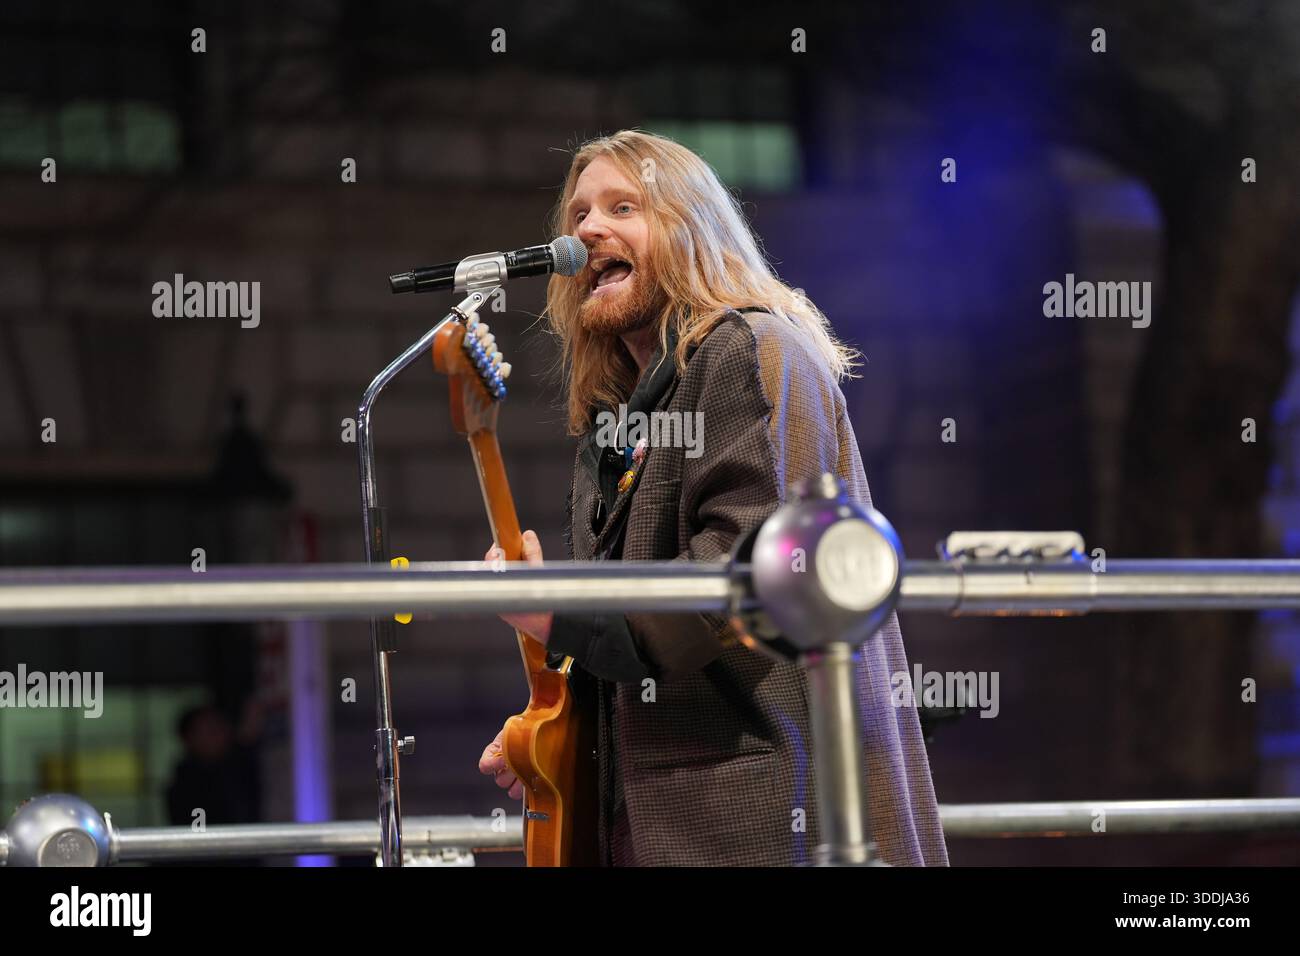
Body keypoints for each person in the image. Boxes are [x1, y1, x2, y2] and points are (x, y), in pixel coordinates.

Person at [478, 129, 947, 867]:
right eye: (578, 216)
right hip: (650, 828)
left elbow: (742, 581)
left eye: (622, 207)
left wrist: (552, 605)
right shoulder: (618, 415)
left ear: (690, 227)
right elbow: (633, 646)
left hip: (766, 820)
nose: (588, 229)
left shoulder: (752, 352)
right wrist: (549, 740)